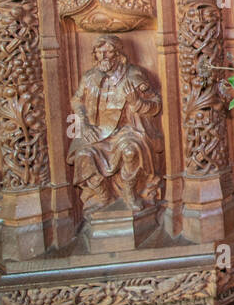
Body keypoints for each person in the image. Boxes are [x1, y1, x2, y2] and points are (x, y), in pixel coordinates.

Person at [67, 35, 163, 213]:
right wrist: (85, 125)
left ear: (119, 54)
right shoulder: (89, 77)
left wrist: (138, 103)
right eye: (99, 52)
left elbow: (155, 104)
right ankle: (104, 196)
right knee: (83, 156)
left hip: (127, 131)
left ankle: (129, 192)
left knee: (130, 151)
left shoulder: (134, 75)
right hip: (96, 131)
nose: (103, 56)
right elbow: (76, 101)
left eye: (108, 51)